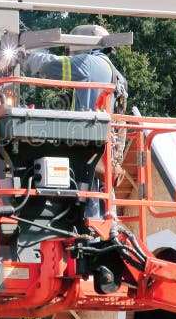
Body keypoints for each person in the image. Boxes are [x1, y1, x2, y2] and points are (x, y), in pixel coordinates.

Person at [18, 24, 129, 217]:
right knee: (102, 211)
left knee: (89, 213)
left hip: (89, 153)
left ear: (82, 45)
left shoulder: (89, 64)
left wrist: (21, 55)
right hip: (104, 158)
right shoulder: (116, 74)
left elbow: (51, 65)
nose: (71, 54)